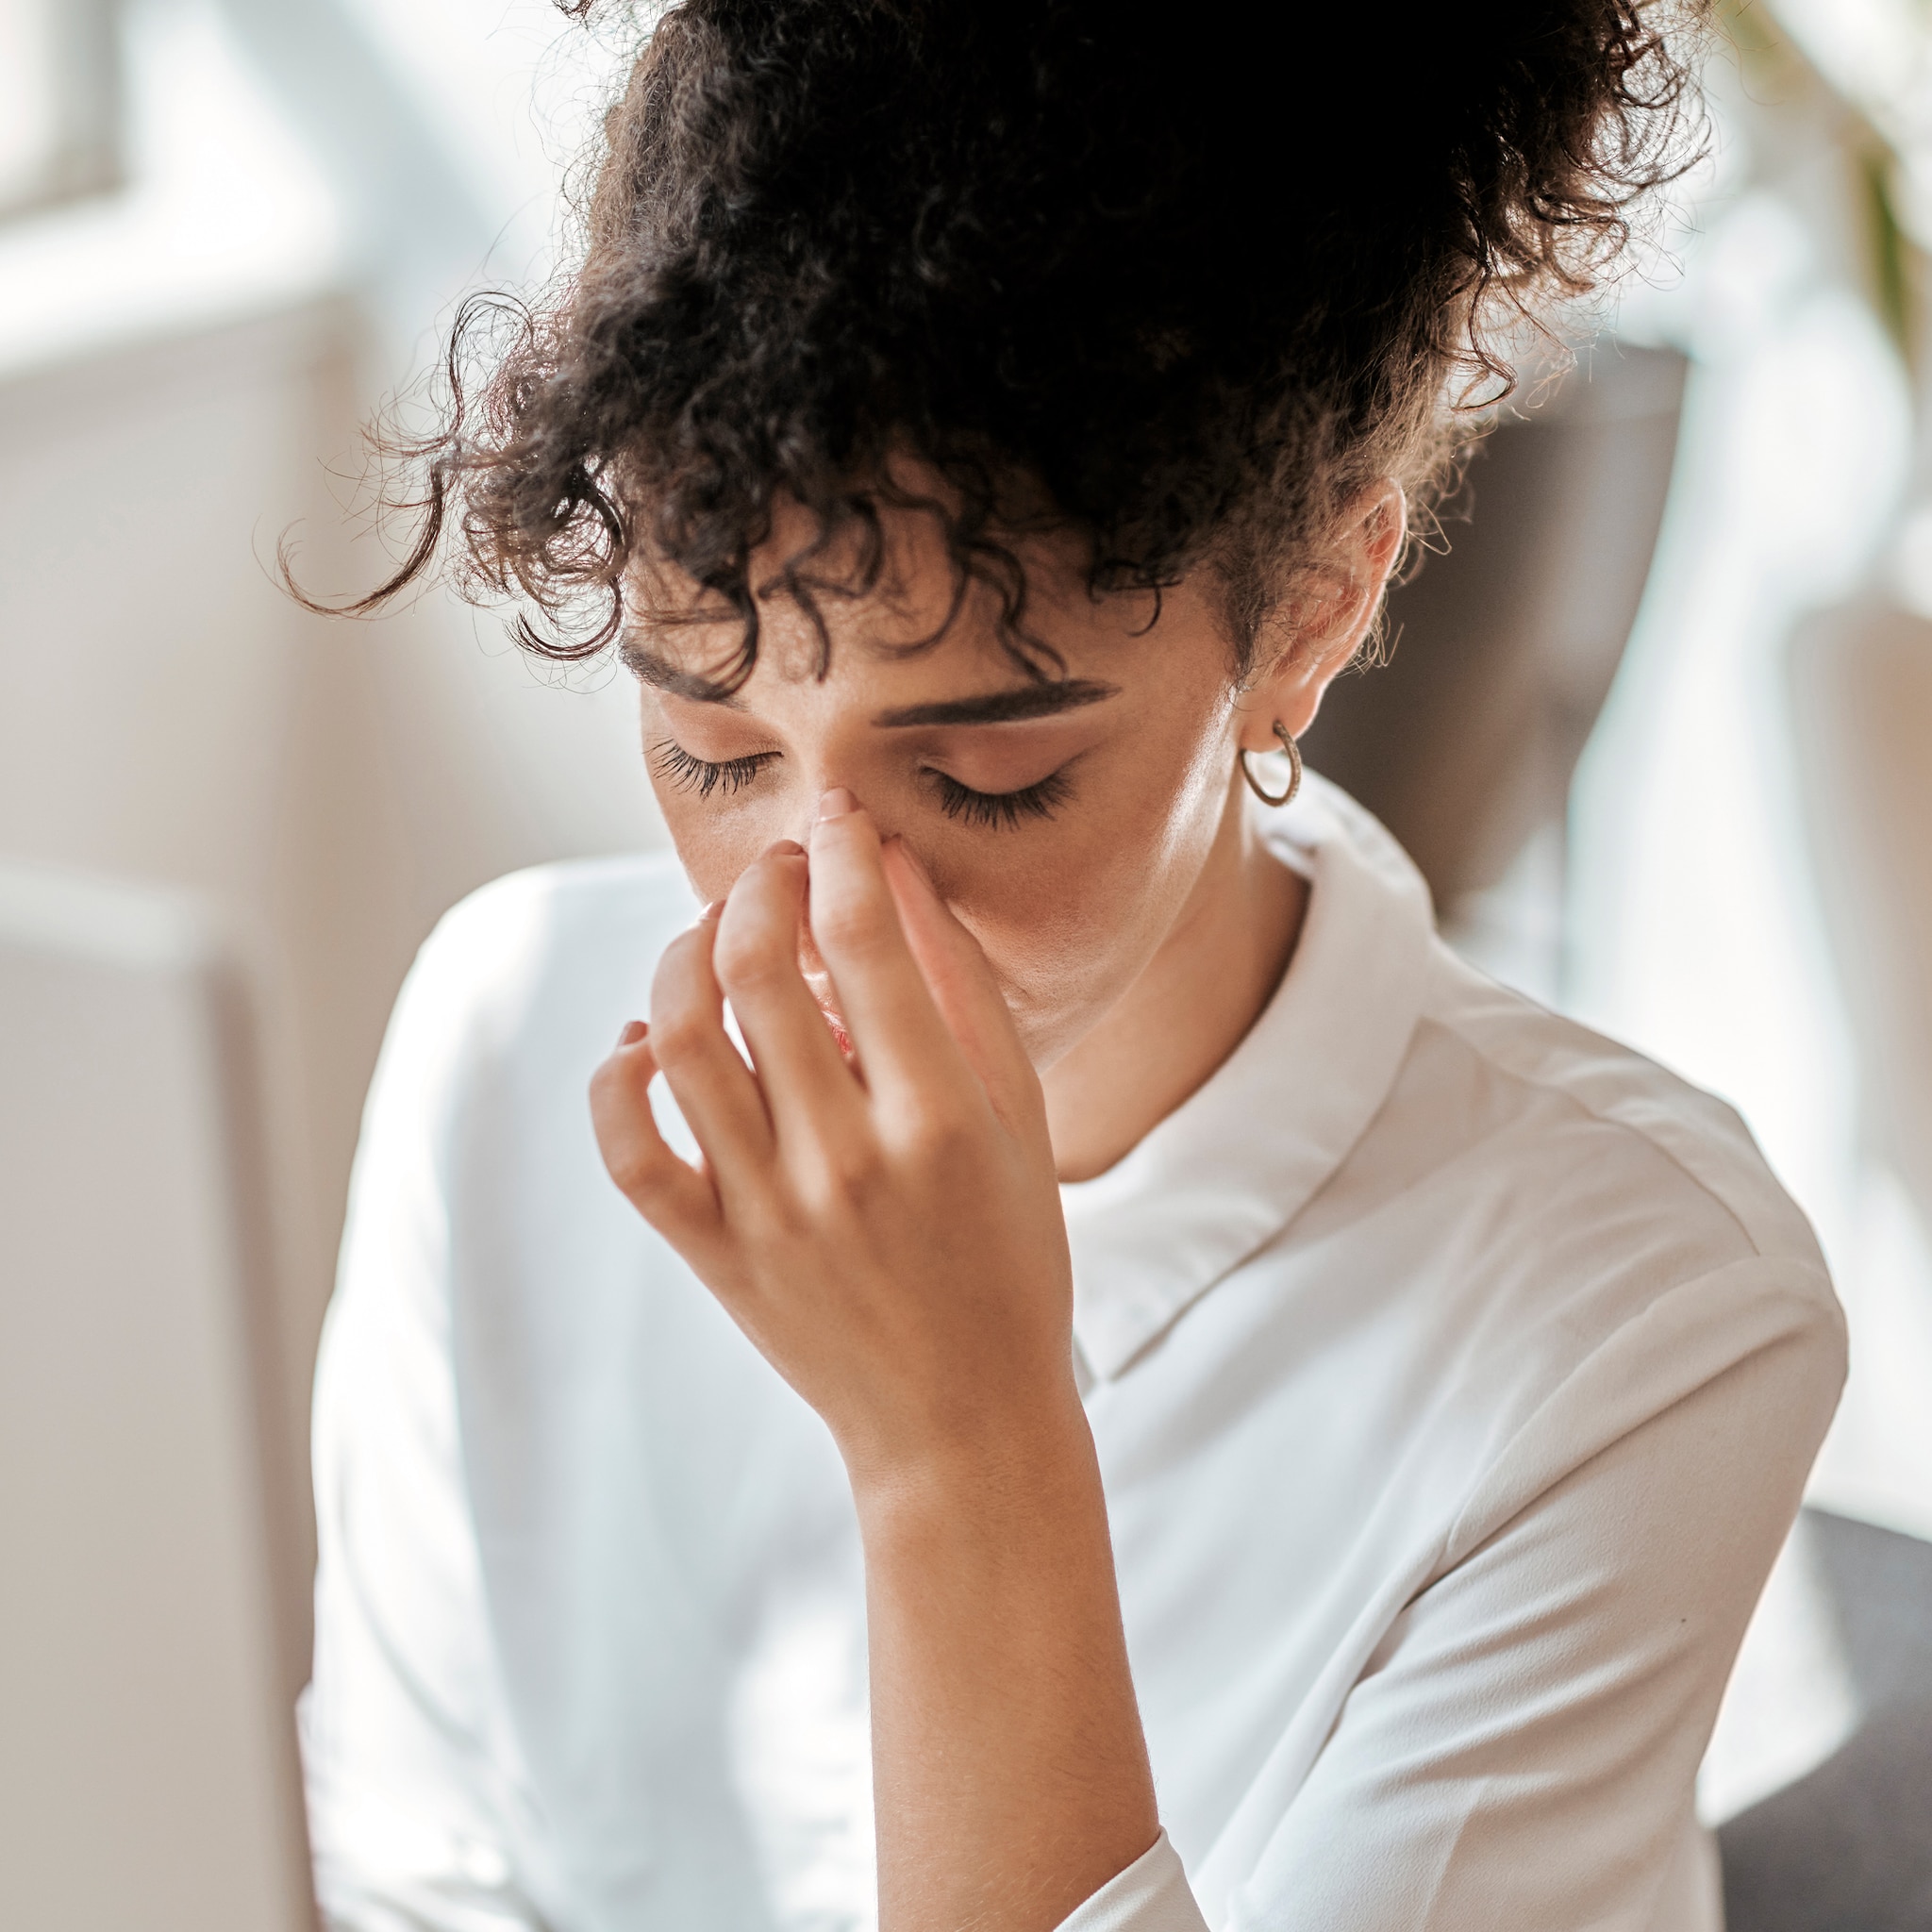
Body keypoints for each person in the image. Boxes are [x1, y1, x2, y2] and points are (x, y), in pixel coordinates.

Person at [297, 3, 1845, 1927]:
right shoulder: (510, 1037)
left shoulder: (1641, 1315)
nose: (816, 913)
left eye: (986, 778)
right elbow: (410, 1876)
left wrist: (959, 1452)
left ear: (1309, 613)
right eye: (707, 744)